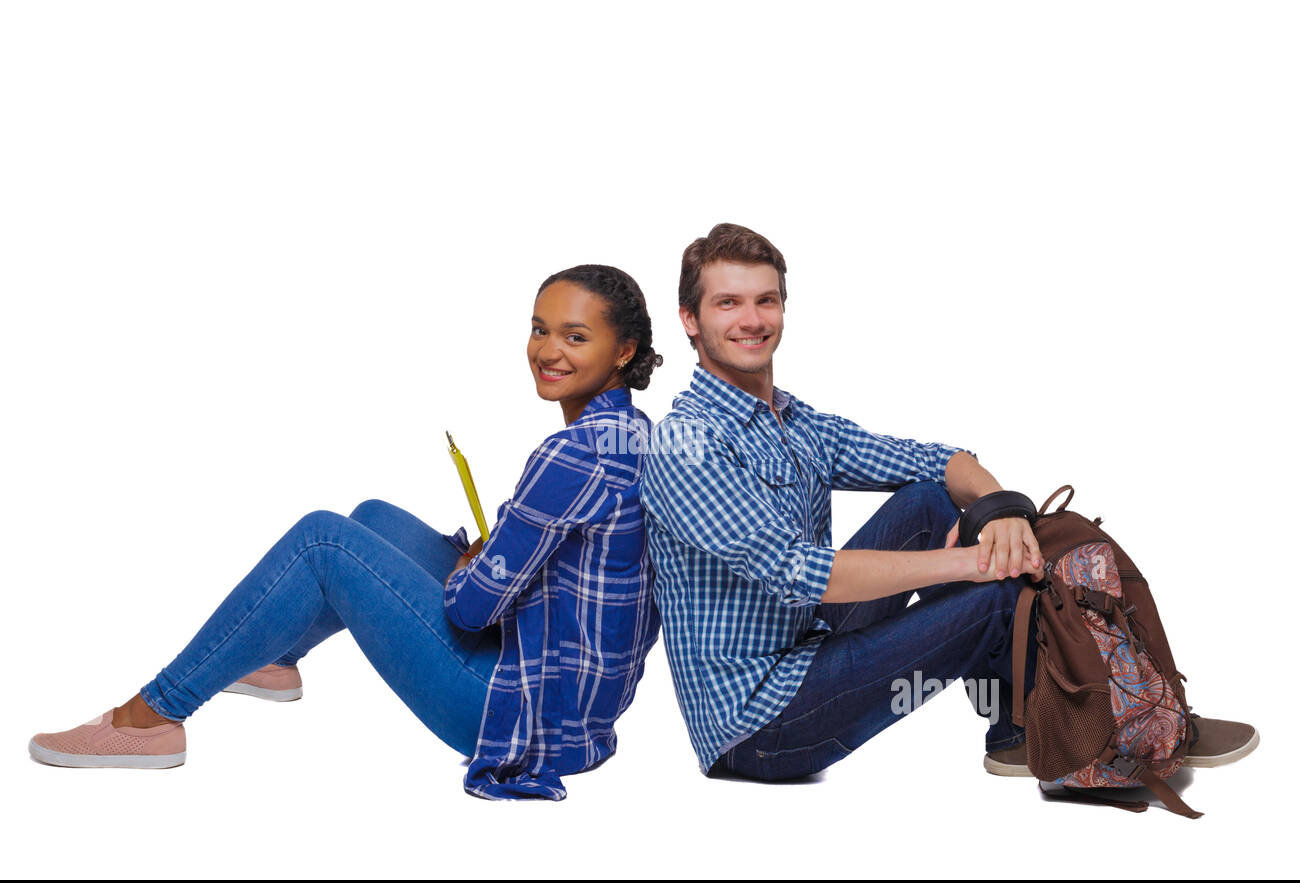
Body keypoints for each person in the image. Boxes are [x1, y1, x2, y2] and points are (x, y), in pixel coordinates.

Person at [640, 223, 1258, 790]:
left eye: (765, 300)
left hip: (808, 639)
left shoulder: (795, 421)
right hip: (761, 724)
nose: (751, 319)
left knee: (932, 503)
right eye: (728, 303)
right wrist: (973, 565)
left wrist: (1000, 513)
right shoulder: (683, 444)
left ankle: (1026, 727)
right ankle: (1119, 723)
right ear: (690, 319)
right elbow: (799, 570)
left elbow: (938, 462)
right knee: (992, 593)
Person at [30, 265, 664, 800]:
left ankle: (152, 717)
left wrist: (481, 565)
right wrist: (496, 555)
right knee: (373, 518)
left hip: (511, 713)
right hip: (581, 715)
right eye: (539, 328)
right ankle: (273, 657)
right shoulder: (635, 435)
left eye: (574, 336)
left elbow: (472, 609)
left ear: (624, 350)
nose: (547, 350)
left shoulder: (573, 455)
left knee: (323, 541)